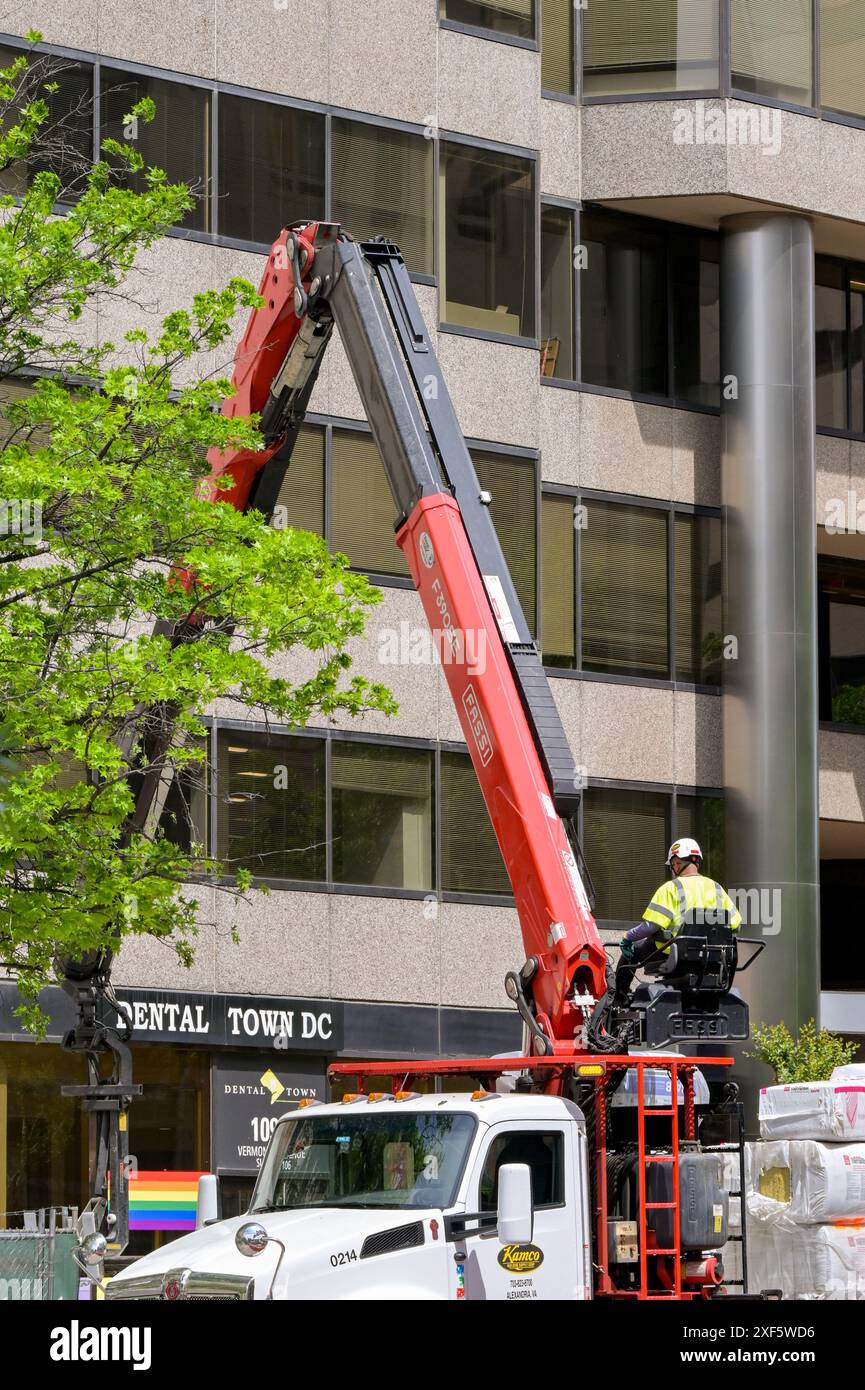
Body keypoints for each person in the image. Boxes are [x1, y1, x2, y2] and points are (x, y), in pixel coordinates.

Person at [614, 838, 741, 1003]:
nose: (673, 868)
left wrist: (627, 936)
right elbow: (736, 925)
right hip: (713, 957)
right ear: (697, 860)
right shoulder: (717, 888)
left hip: (676, 955)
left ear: (677, 863)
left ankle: (619, 1000)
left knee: (630, 951)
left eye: (673, 864)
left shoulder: (671, 888)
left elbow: (650, 927)